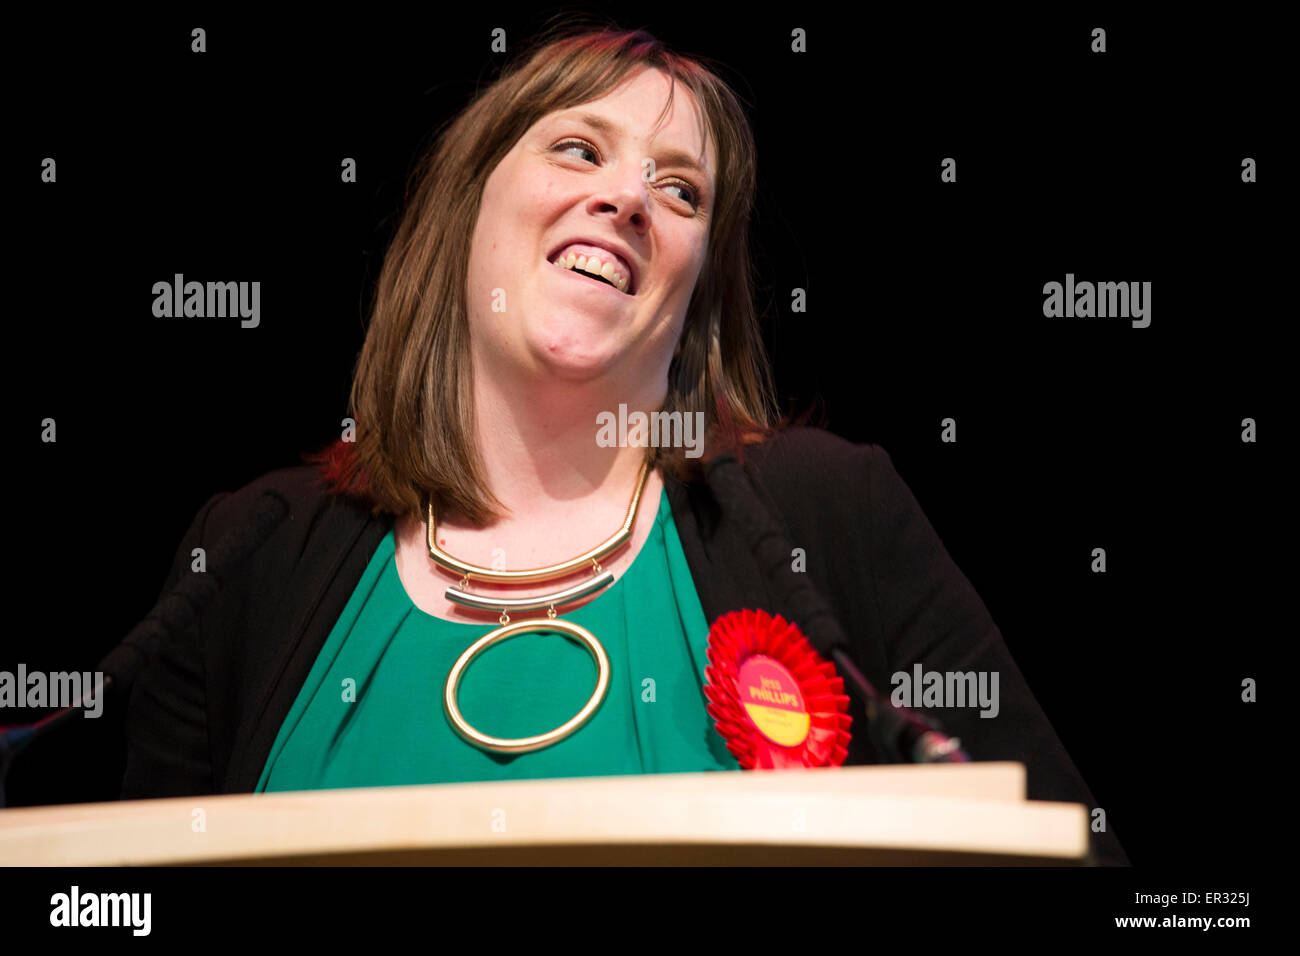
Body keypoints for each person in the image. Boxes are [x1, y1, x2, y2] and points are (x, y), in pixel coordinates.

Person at [121, 26, 1129, 866]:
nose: (628, 198)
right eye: (577, 148)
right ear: (465, 204)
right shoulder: (253, 550)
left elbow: (1072, 856)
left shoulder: (827, 511)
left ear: (695, 295)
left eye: (682, 190)